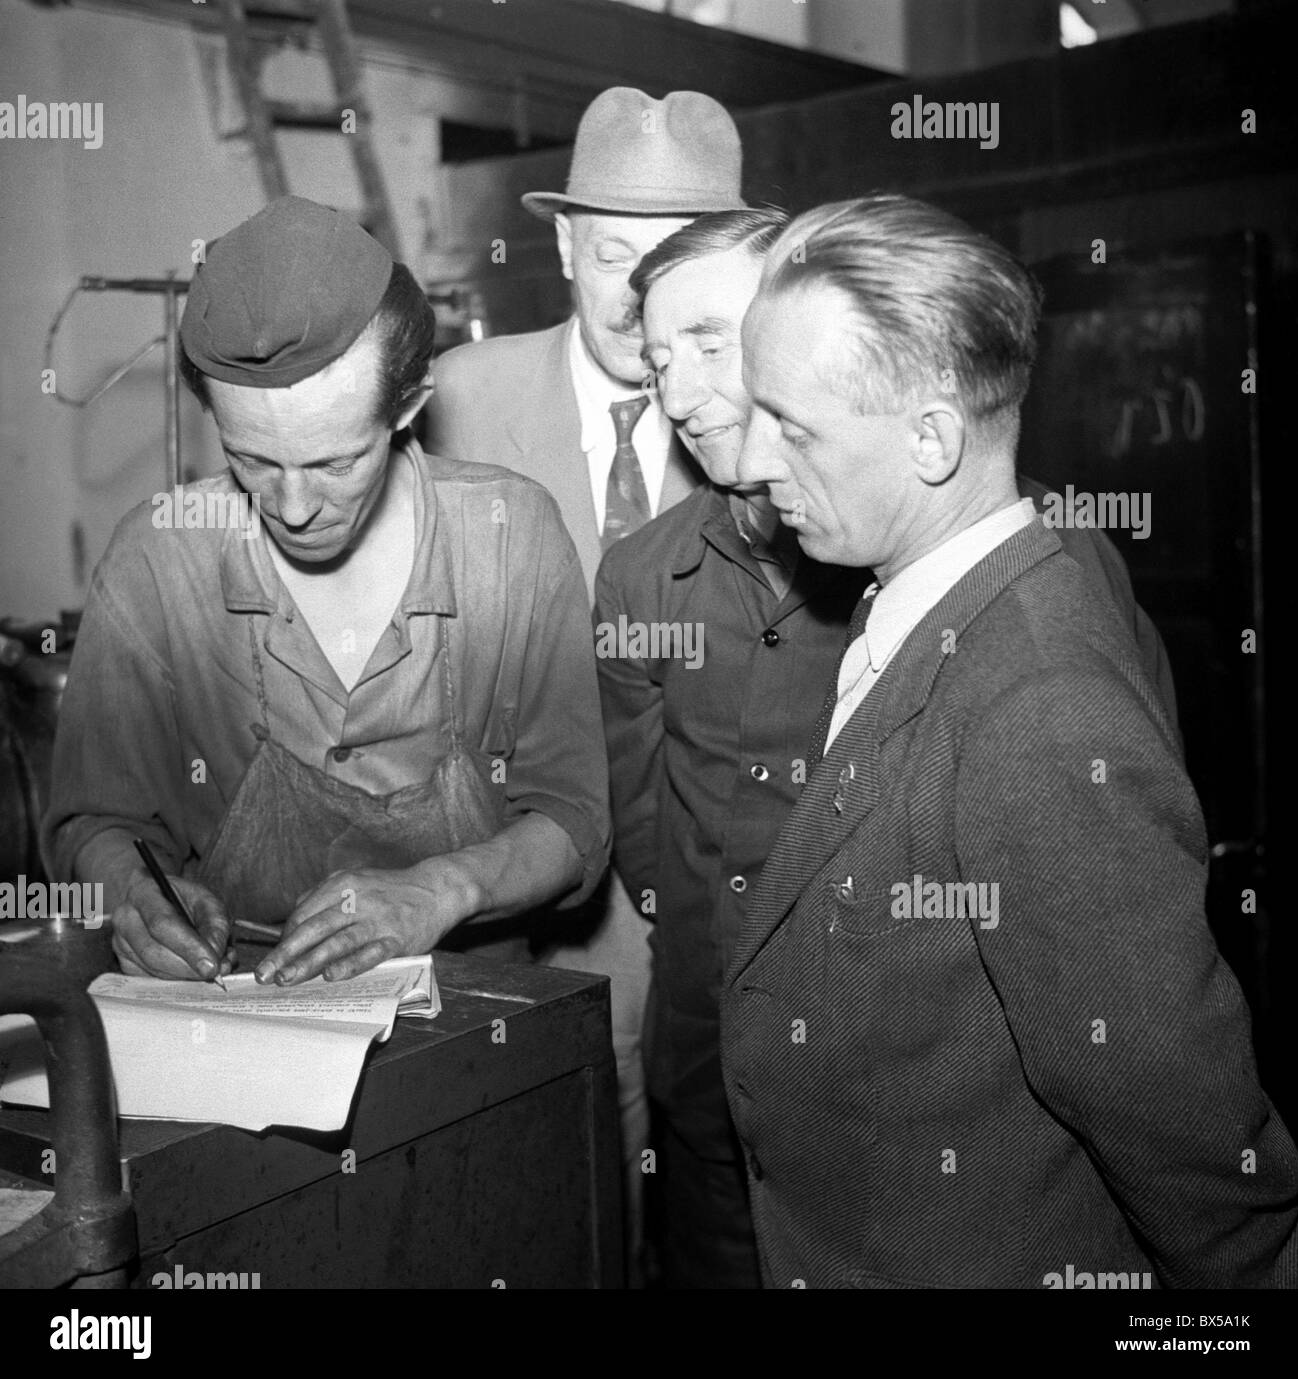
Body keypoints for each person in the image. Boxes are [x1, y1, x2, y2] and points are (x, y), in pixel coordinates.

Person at [714, 193, 1298, 1288]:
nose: (748, 459)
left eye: (790, 424)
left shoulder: (1036, 711)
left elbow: (1181, 1131)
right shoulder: (944, 589)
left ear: (931, 438)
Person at [596, 208, 1185, 1287]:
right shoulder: (690, 578)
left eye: (722, 350)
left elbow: (1163, 1084)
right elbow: (644, 840)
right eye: (657, 357)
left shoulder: (1017, 629)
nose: (694, 404)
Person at [42, 196, 609, 990]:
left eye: (336, 463)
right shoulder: (157, 557)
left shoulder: (510, 537)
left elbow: (573, 818)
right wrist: (136, 898)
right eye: (255, 462)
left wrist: (438, 889)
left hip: (478, 1010)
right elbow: (97, 819)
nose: (296, 506)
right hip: (232, 1006)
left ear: (408, 406)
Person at [426, 86, 744, 1279]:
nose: (633, 298)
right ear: (559, 241)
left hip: (728, 916)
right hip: (533, 922)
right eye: (610, 256)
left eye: (666, 263)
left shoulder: (777, 424)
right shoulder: (456, 401)